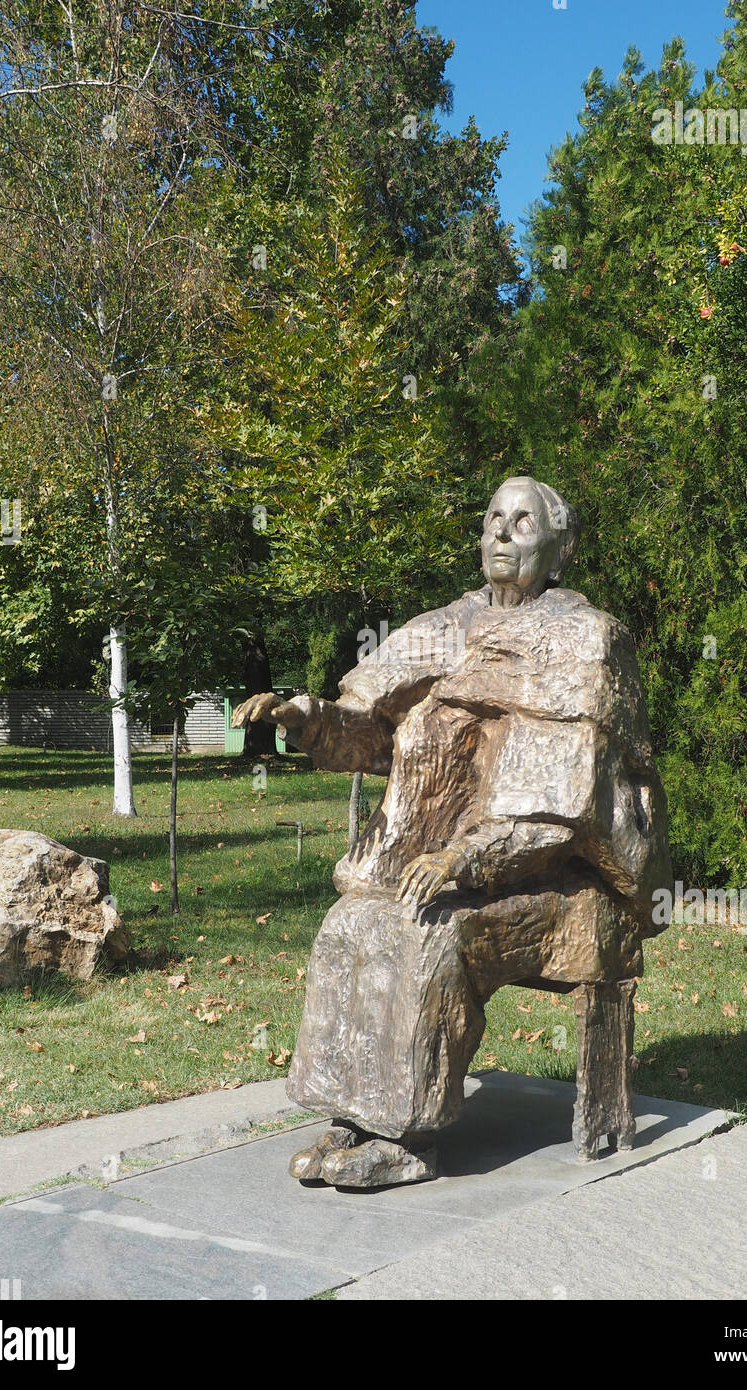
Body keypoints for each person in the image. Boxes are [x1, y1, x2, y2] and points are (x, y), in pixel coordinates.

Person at [233, 476, 671, 1187]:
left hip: (557, 873)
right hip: (441, 860)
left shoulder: (583, 640)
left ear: (559, 552)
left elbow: (561, 808)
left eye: (522, 522)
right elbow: (370, 735)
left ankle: (407, 1138)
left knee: (427, 935)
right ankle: (356, 1113)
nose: (500, 532)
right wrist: (304, 719)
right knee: (349, 923)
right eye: (492, 517)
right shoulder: (441, 627)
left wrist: (464, 857)